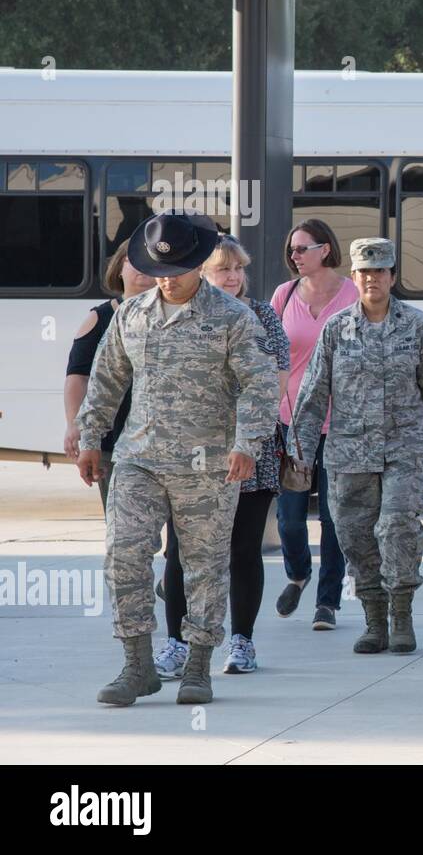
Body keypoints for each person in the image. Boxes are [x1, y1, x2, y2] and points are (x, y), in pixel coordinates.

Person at [75, 210, 278, 706]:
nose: (167, 280)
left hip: (208, 463)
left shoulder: (233, 318)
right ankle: (138, 665)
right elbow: (106, 379)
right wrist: (90, 437)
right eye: (159, 271)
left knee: (204, 566)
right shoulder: (132, 314)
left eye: (178, 270)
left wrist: (247, 444)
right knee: (124, 556)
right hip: (139, 457)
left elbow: (260, 383)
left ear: (198, 263)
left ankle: (197, 667)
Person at [292, 238, 423, 656]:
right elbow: (313, 394)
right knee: (356, 536)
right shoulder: (336, 329)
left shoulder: (416, 325)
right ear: (354, 277)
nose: (372, 279)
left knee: (397, 527)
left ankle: (402, 614)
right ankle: (373, 620)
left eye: (380, 271)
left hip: (405, 445)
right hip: (349, 452)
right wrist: (301, 453)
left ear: (392, 277)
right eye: (365, 272)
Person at [156, 235, 291, 677]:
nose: (232, 277)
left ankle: (242, 642)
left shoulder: (263, 315)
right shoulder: (178, 316)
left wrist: (245, 435)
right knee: (181, 552)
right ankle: (176, 643)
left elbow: (277, 381)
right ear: (200, 272)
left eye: (237, 268)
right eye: (222, 269)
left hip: (249, 451)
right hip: (190, 455)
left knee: (243, 550)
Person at [272, 219, 358, 630]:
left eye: (302, 248)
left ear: (325, 250)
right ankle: (298, 573)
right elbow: (268, 353)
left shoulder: (353, 294)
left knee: (333, 518)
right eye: (292, 249)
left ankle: (328, 603)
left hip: (341, 426)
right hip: (293, 427)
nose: (294, 256)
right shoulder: (283, 295)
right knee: (289, 518)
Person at [63, 244, 155, 508]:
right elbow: (77, 377)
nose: (141, 268)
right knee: (123, 528)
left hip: (163, 444)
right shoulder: (100, 317)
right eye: (133, 260)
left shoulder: (174, 315)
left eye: (149, 260)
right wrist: (73, 424)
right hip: (113, 442)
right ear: (120, 267)